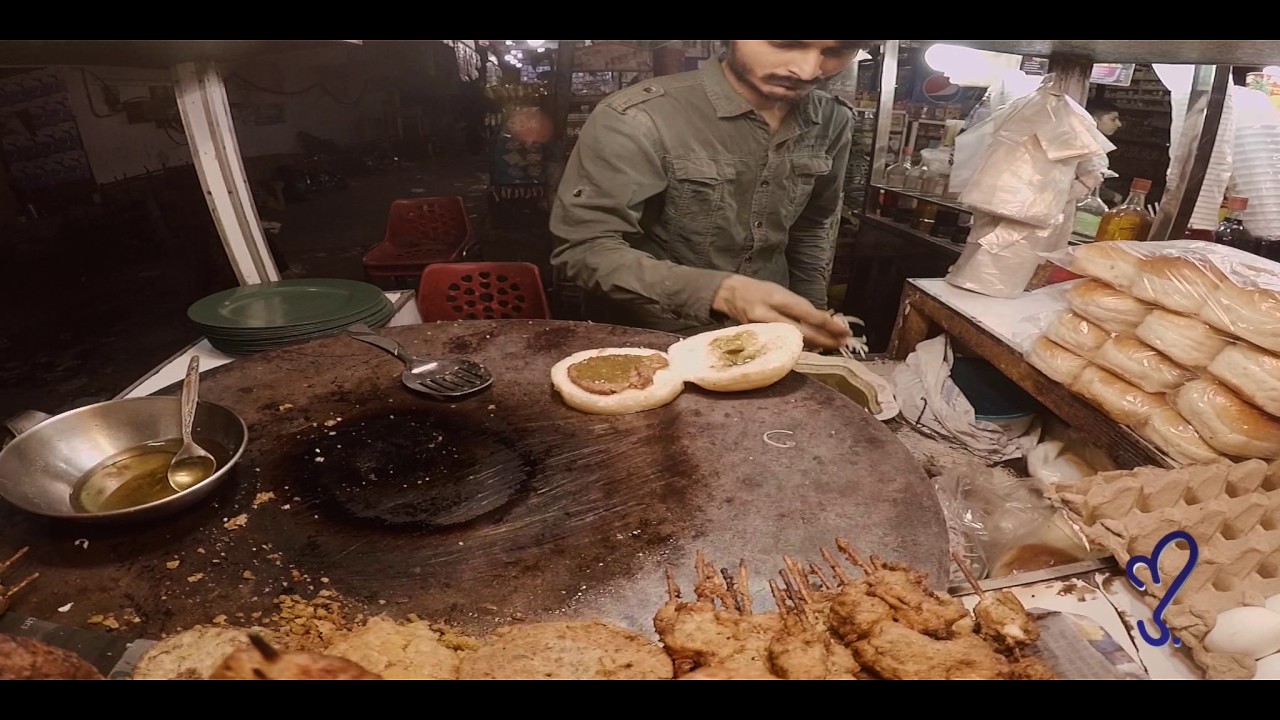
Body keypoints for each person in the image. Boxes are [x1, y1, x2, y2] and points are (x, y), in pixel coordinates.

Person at [549, 40, 869, 351]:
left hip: (769, 338)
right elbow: (584, 247)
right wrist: (722, 292)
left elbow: (811, 227)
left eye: (837, 51)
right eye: (784, 43)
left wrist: (812, 316)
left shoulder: (832, 121)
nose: (808, 69)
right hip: (651, 339)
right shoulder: (638, 117)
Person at [1087, 99, 1125, 205]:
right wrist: (1111, 195)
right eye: (1113, 119)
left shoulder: (1098, 144)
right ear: (1094, 119)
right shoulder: (1085, 145)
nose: (1119, 124)